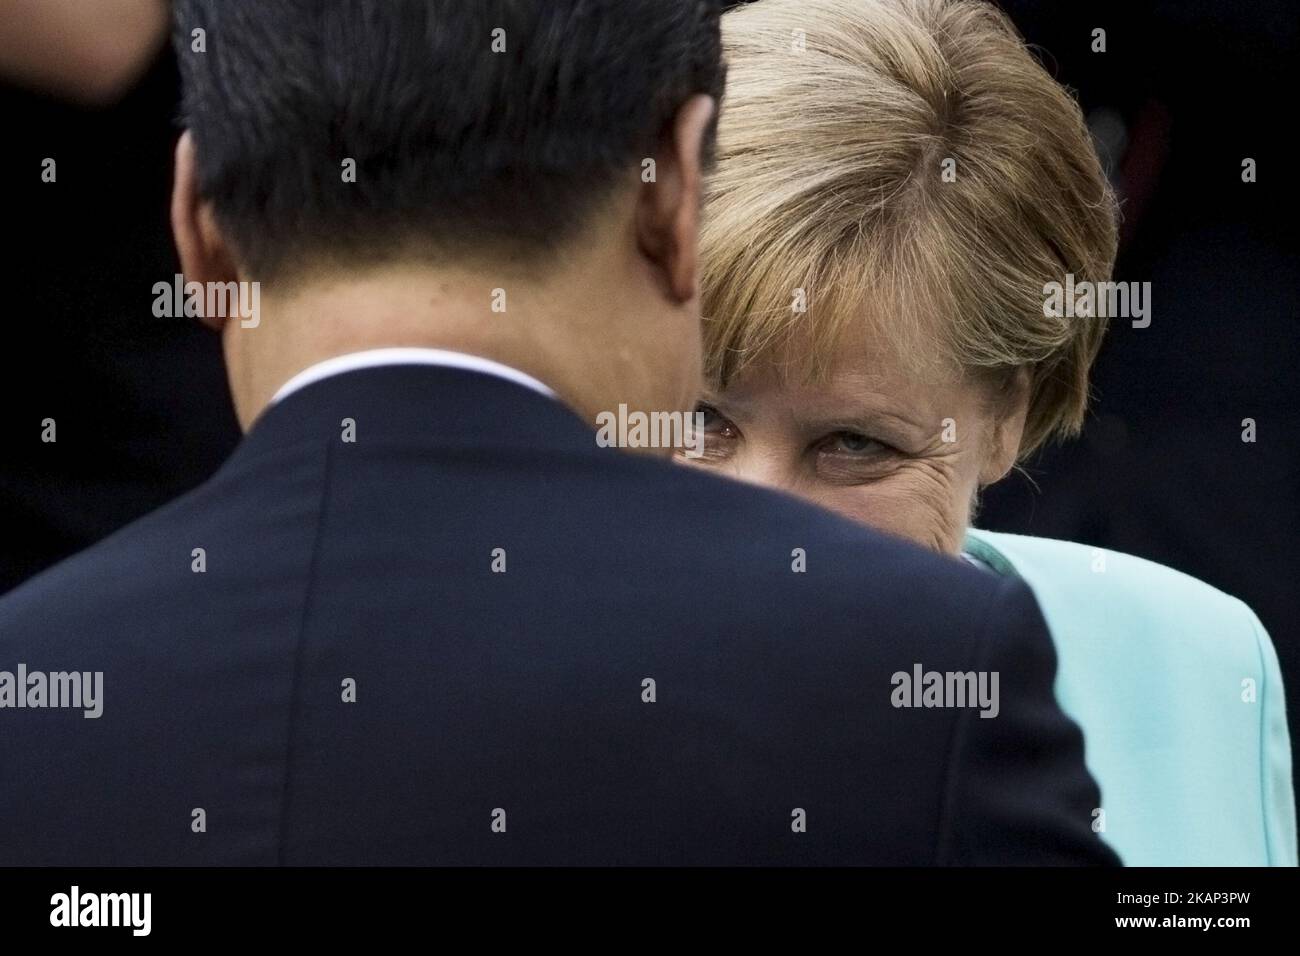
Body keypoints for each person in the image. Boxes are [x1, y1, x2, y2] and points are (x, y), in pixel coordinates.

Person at [0, 0, 1112, 866]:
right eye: (706, 422)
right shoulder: (916, 665)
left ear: (195, 230)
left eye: (854, 443)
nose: (768, 508)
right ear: (683, 190)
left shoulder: (33, 684)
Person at [684, 0, 1295, 865]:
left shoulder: (1191, 662)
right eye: (698, 421)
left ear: (1009, 415)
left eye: (857, 444)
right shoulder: (473, 677)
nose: (758, 526)